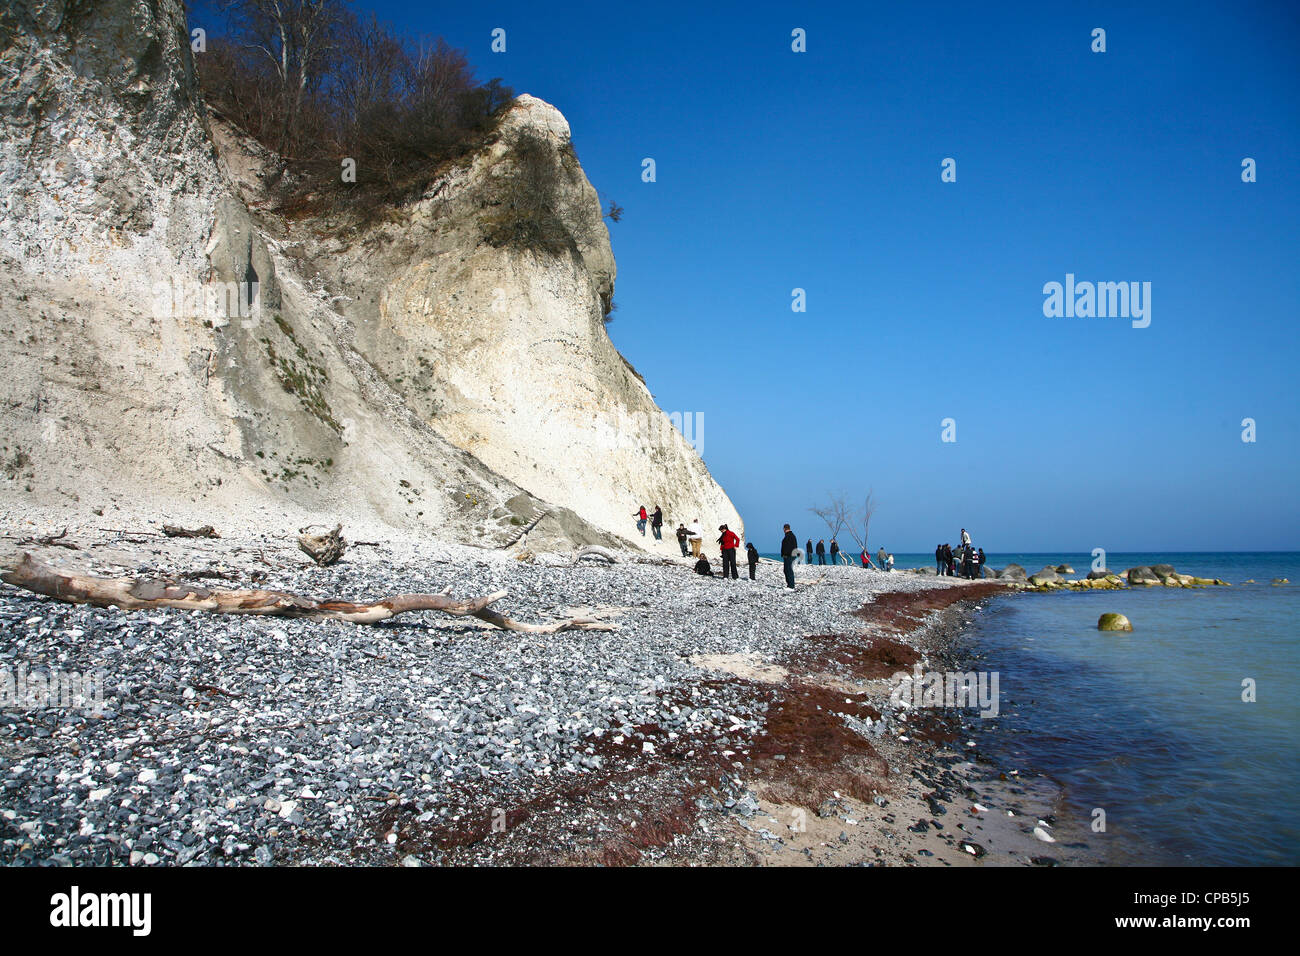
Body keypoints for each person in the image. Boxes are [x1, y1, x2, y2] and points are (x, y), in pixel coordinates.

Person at [782, 525, 798, 589]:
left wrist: (786, 554)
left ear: (785, 529)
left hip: (789, 555)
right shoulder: (789, 535)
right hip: (789, 555)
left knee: (788, 570)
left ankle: (791, 586)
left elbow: (789, 547)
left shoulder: (789, 535)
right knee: (786, 570)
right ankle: (789, 585)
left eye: (783, 529)